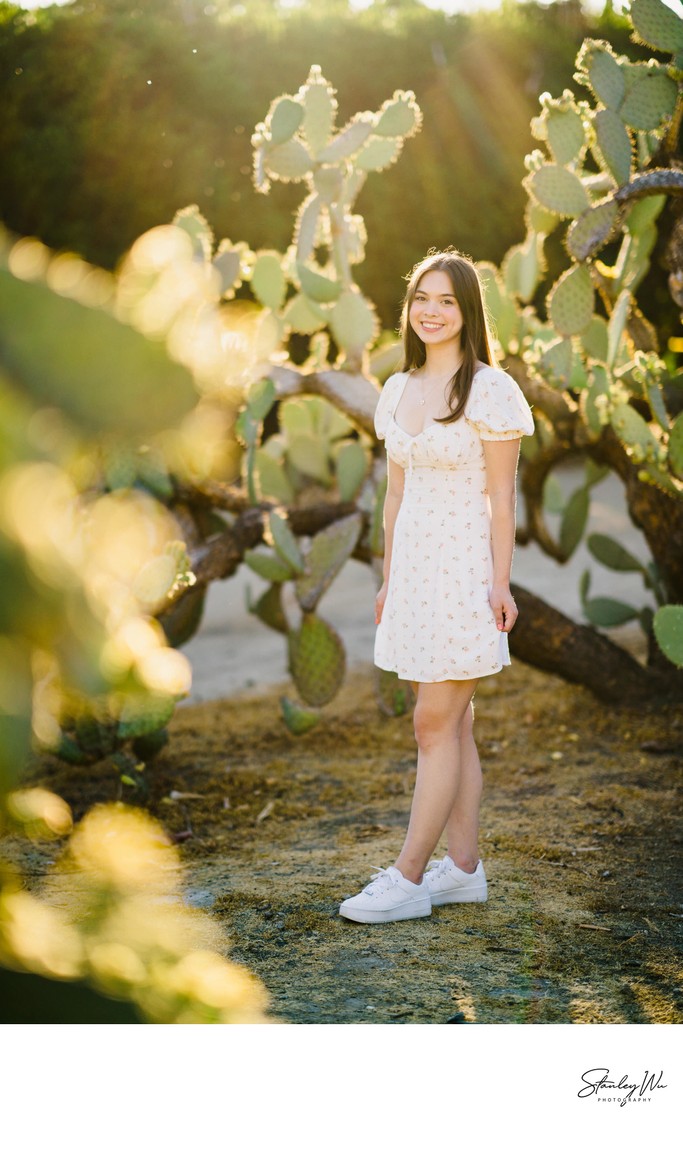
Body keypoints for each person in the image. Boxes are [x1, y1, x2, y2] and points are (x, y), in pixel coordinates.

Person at [339, 248, 534, 924]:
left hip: (464, 575)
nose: (431, 310)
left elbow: (503, 501)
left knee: (432, 723)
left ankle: (408, 878)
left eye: (446, 300)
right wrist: (389, 578)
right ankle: (464, 870)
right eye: (421, 297)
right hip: (416, 577)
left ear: (466, 310)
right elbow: (395, 494)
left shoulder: (490, 390)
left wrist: (501, 585)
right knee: (455, 724)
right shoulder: (397, 388)